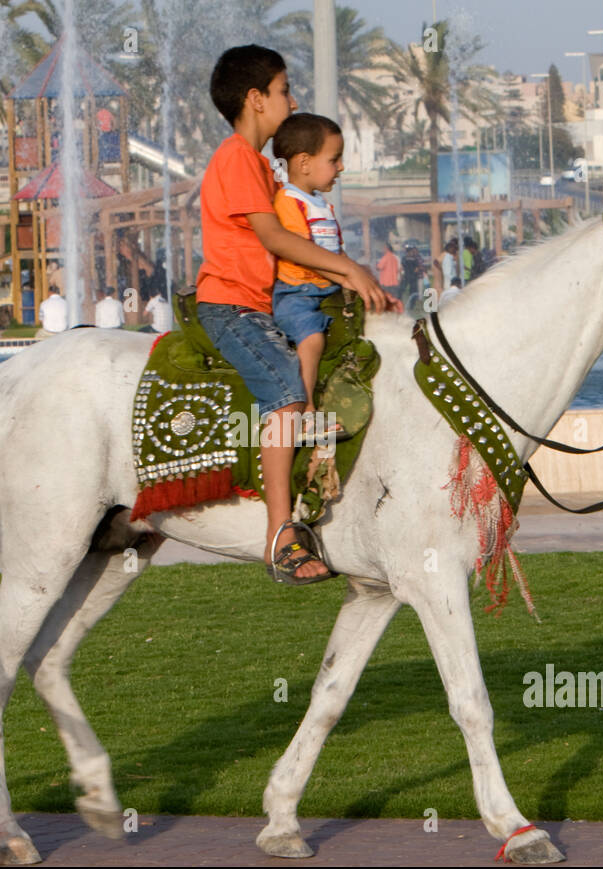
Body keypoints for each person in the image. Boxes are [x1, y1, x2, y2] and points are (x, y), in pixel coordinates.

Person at [196, 44, 387, 584]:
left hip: (260, 303)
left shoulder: (258, 164)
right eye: (283, 90)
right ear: (256, 99)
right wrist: (349, 270)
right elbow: (274, 236)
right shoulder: (236, 156)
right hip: (232, 305)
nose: (292, 98)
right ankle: (281, 535)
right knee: (285, 397)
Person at [270, 111, 357, 434]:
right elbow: (305, 254)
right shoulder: (289, 201)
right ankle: (304, 412)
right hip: (298, 293)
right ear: (304, 163)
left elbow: (336, 253)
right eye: (334, 160)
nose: (341, 167)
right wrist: (346, 277)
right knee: (312, 339)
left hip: (324, 290)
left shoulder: (319, 203)